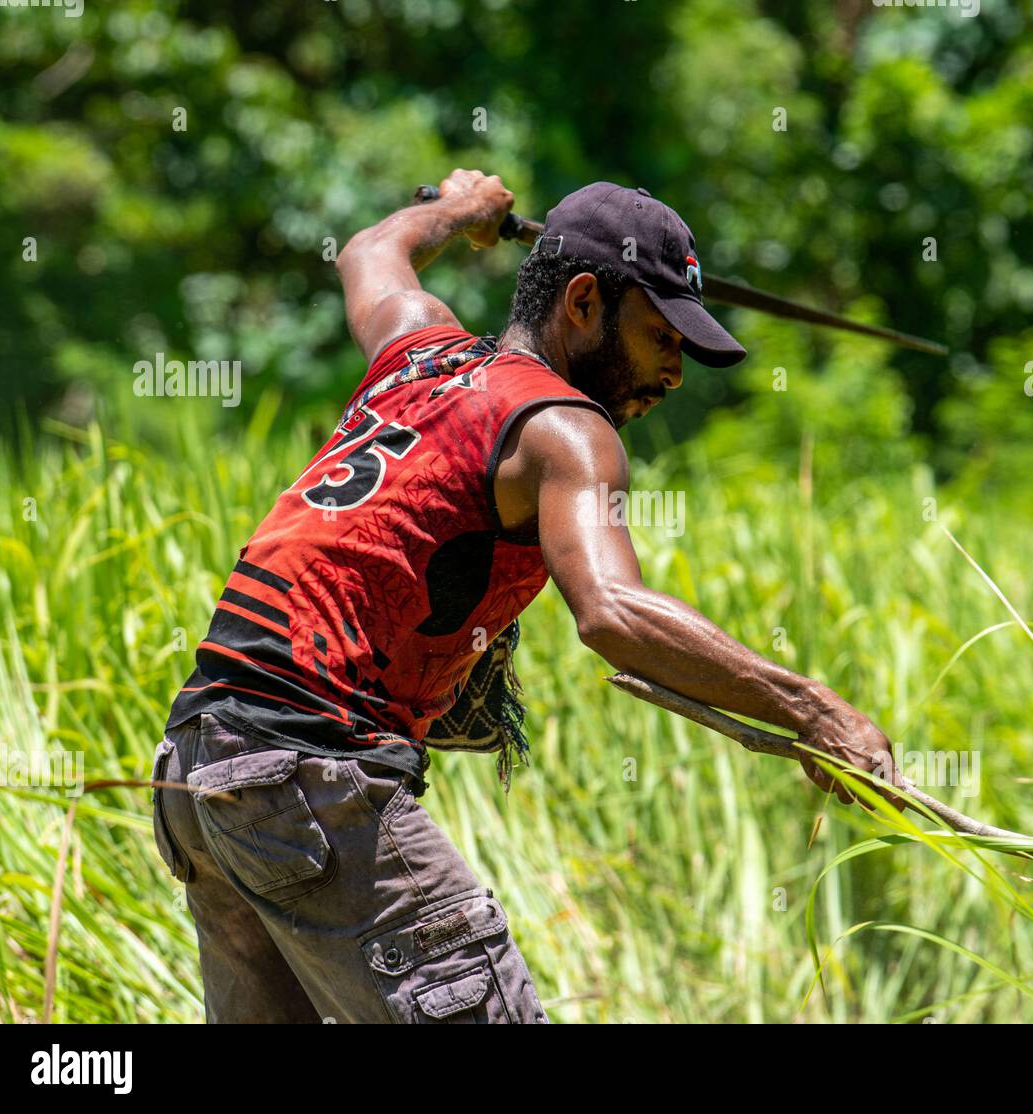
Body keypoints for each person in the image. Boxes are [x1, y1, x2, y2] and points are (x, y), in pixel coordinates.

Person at [149, 168, 907, 1024]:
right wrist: (813, 710)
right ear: (583, 302)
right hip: (312, 776)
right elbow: (613, 612)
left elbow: (373, 248)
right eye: (662, 336)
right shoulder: (565, 429)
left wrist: (458, 211)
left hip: (199, 773)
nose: (675, 372)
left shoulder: (415, 345)